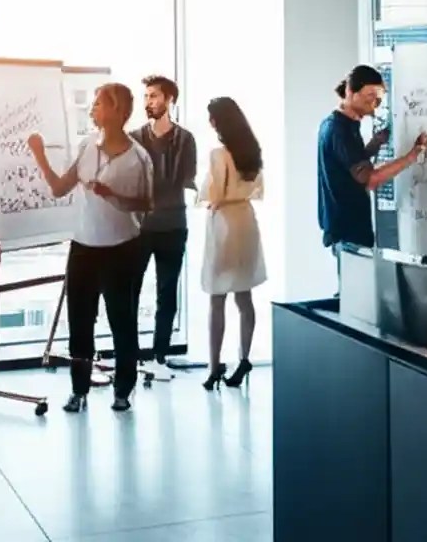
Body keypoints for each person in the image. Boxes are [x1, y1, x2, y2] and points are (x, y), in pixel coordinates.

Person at [27, 83, 154, 413]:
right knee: (80, 321)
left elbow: (146, 203)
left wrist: (113, 195)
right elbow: (59, 188)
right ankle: (78, 389)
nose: (93, 108)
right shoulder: (87, 146)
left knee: (122, 321)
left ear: (118, 110)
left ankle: (123, 390)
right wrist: (39, 155)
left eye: (99, 103)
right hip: (84, 247)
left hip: (122, 249)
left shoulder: (138, 157)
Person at [317, 65, 427, 260]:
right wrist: (412, 156)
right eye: (370, 95)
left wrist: (375, 143)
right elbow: (370, 179)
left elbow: (350, 162)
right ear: (350, 92)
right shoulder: (339, 130)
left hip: (349, 229)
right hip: (348, 233)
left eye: (379, 97)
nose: (375, 103)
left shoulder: (343, 125)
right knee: (359, 280)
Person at [129, 75, 197, 380]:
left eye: (154, 96)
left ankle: (159, 355)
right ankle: (130, 355)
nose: (149, 102)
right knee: (130, 292)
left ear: (169, 100)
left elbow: (182, 179)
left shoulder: (185, 139)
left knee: (167, 294)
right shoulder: (134, 138)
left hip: (172, 226)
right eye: (146, 96)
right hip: (140, 228)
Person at [198, 98, 266, 391]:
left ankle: (214, 366)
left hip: (224, 223)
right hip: (246, 221)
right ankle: (244, 358)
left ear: (218, 121)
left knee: (217, 298)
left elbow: (213, 194)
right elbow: (258, 189)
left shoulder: (219, 154)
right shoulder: (252, 152)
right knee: (244, 296)